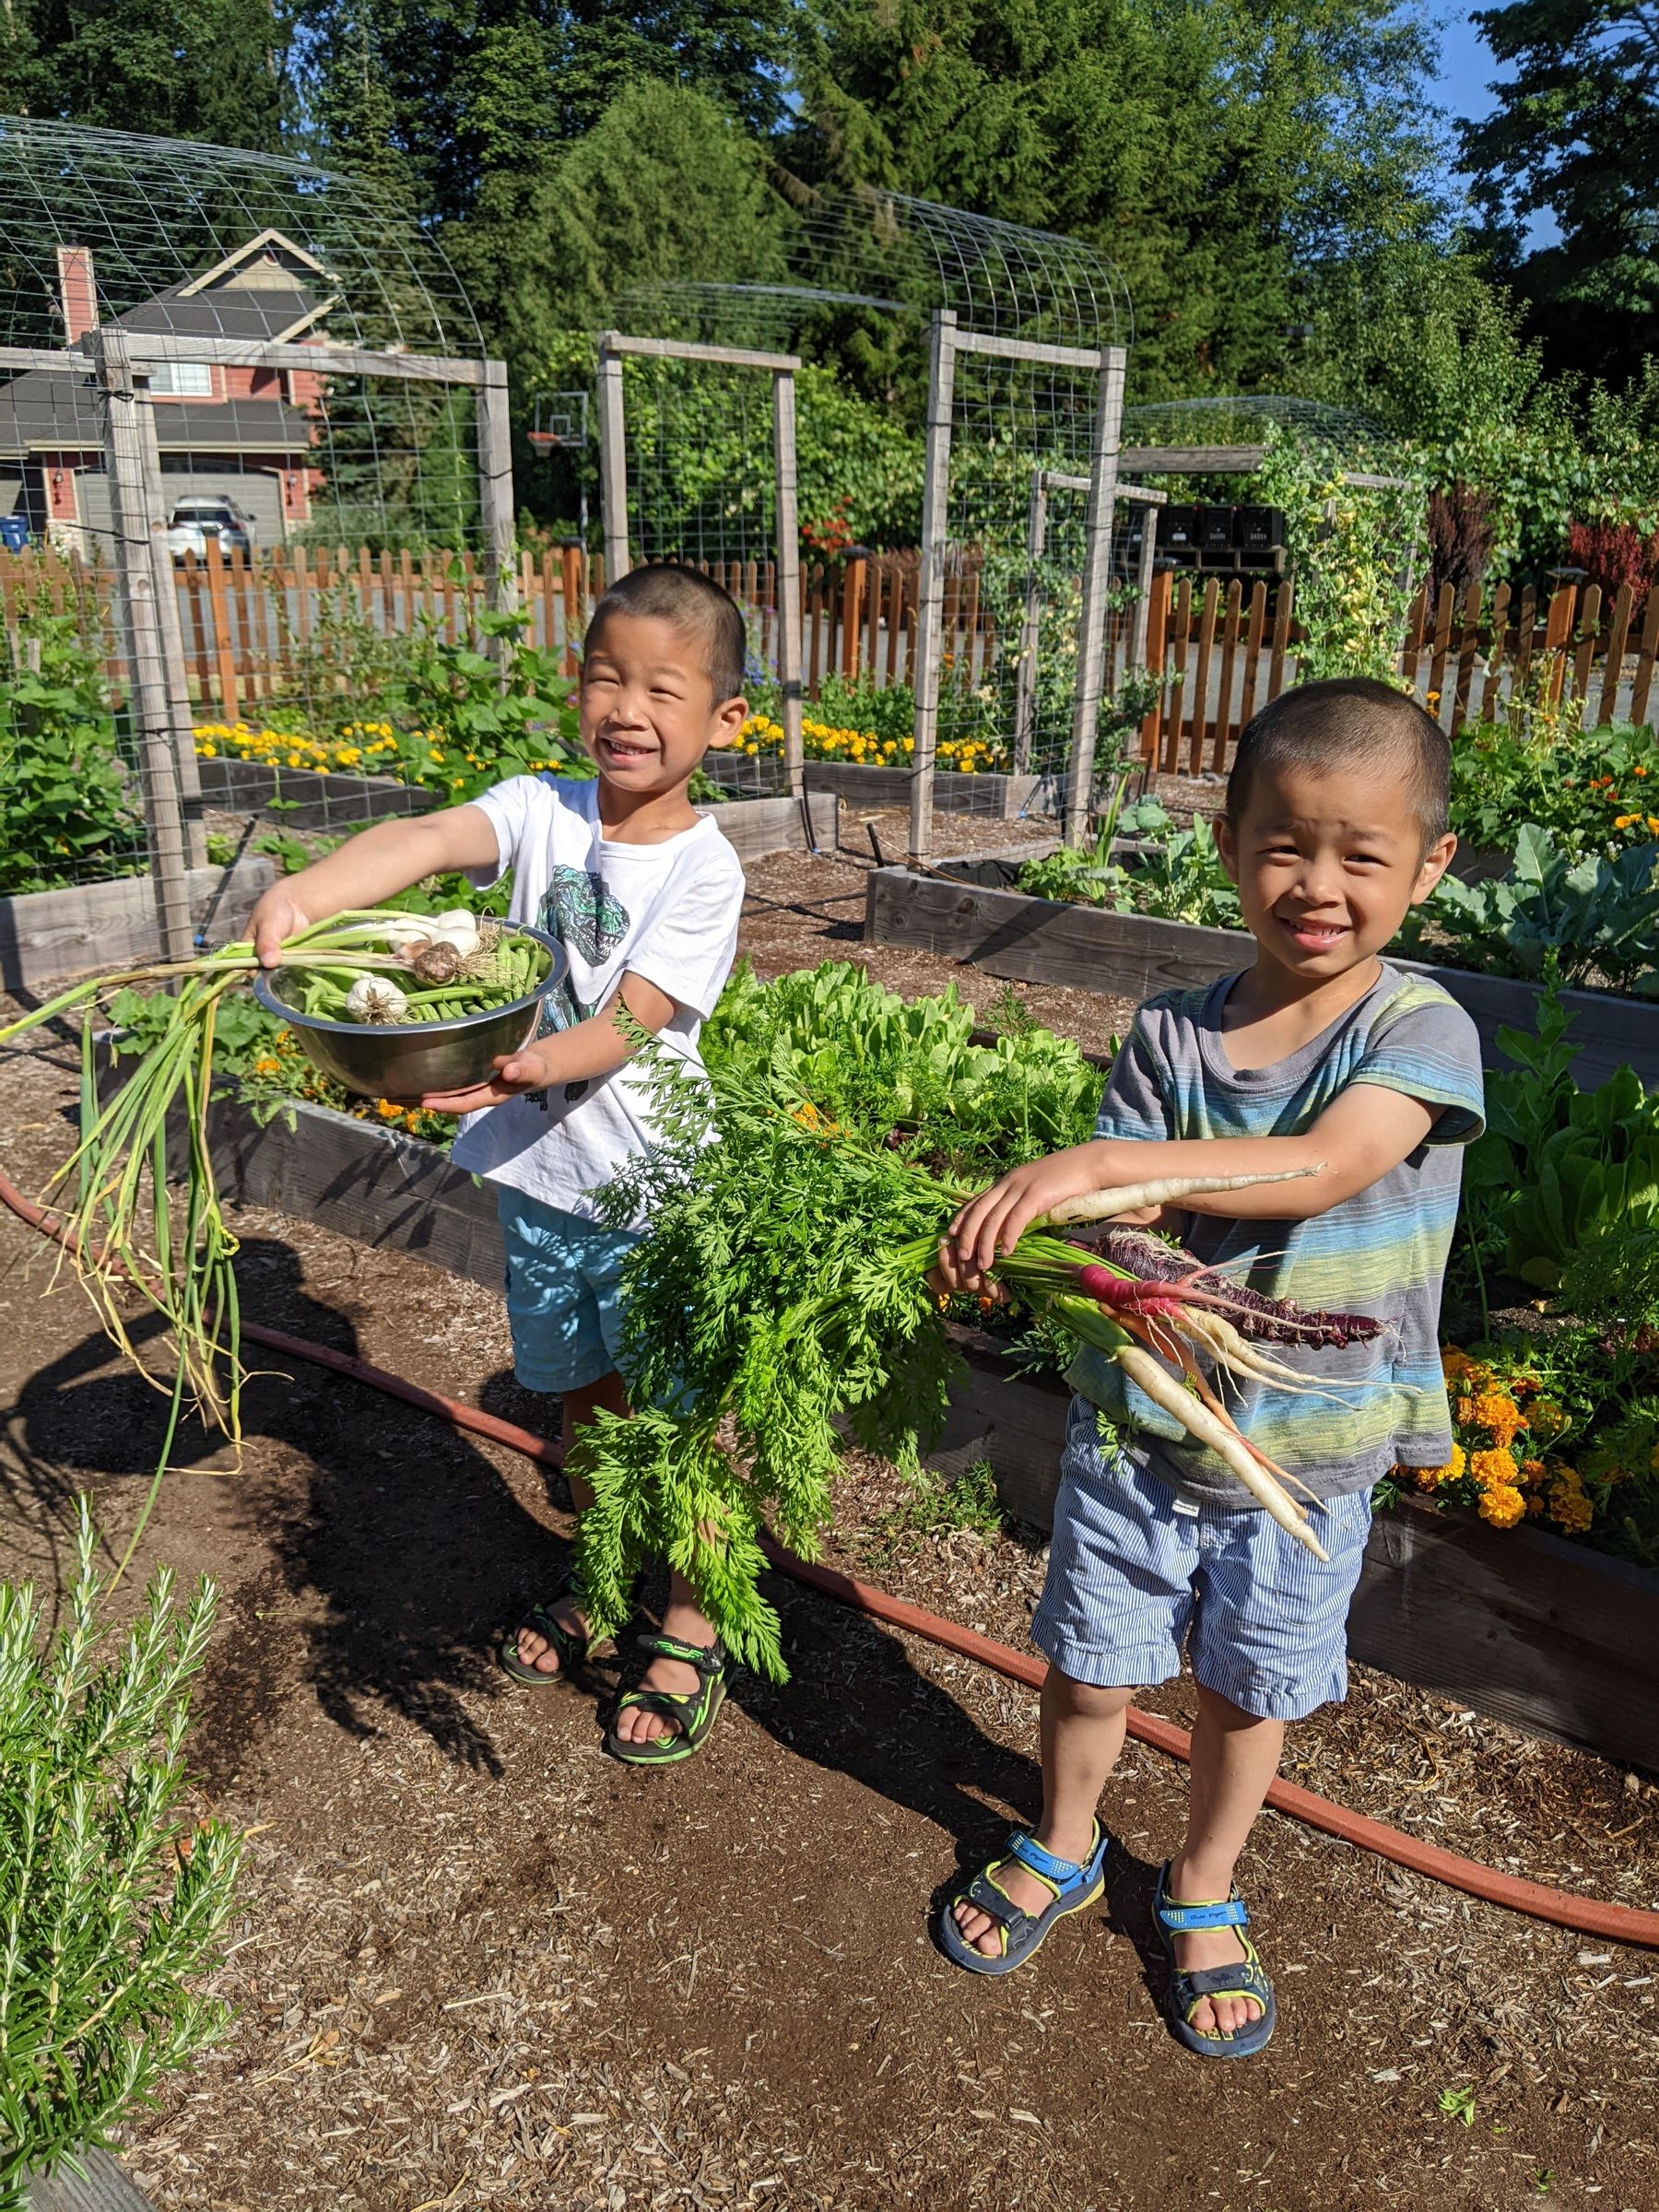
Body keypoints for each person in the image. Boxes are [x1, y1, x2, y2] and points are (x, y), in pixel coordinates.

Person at [933, 677, 1485, 2055]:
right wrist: (1046, 1235)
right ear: (1230, 843)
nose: (1318, 883)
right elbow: (1124, 1230)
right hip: (1140, 1436)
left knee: (1250, 1691)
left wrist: (1112, 1165)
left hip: (1311, 1453)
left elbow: (1332, 1164)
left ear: (1428, 868)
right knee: (1088, 1668)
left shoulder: (1417, 1031)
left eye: (1363, 854)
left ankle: (1201, 1885)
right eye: (1285, 845)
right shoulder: (1172, 1033)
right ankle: (1064, 1841)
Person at [248, 562, 750, 1765]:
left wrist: (527, 1068)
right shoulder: (538, 808)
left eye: (663, 689)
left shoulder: (704, 868)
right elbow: (425, 839)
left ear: (723, 721)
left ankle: (695, 1618)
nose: (626, 707)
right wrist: (310, 889)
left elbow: (631, 1021)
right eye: (603, 676)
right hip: (544, 1186)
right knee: (583, 1403)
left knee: (687, 1425)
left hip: (657, 1194)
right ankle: (607, 1566)